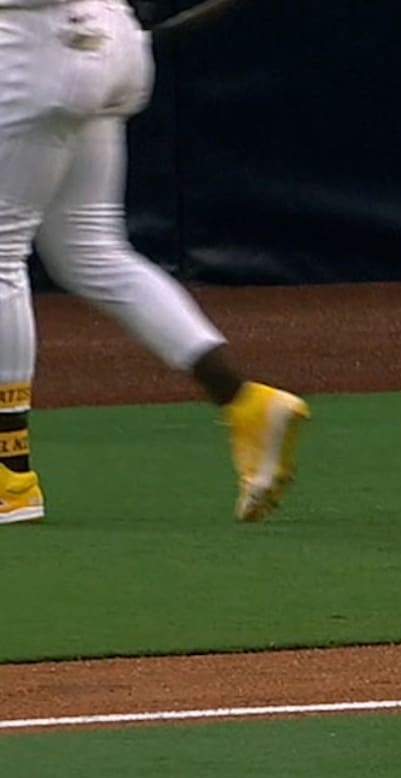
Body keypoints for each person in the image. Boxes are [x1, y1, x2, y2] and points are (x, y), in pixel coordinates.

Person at [0, 0, 308, 525]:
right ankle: (245, 401)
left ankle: (11, 476)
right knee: (91, 252)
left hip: (34, 44)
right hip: (106, 37)